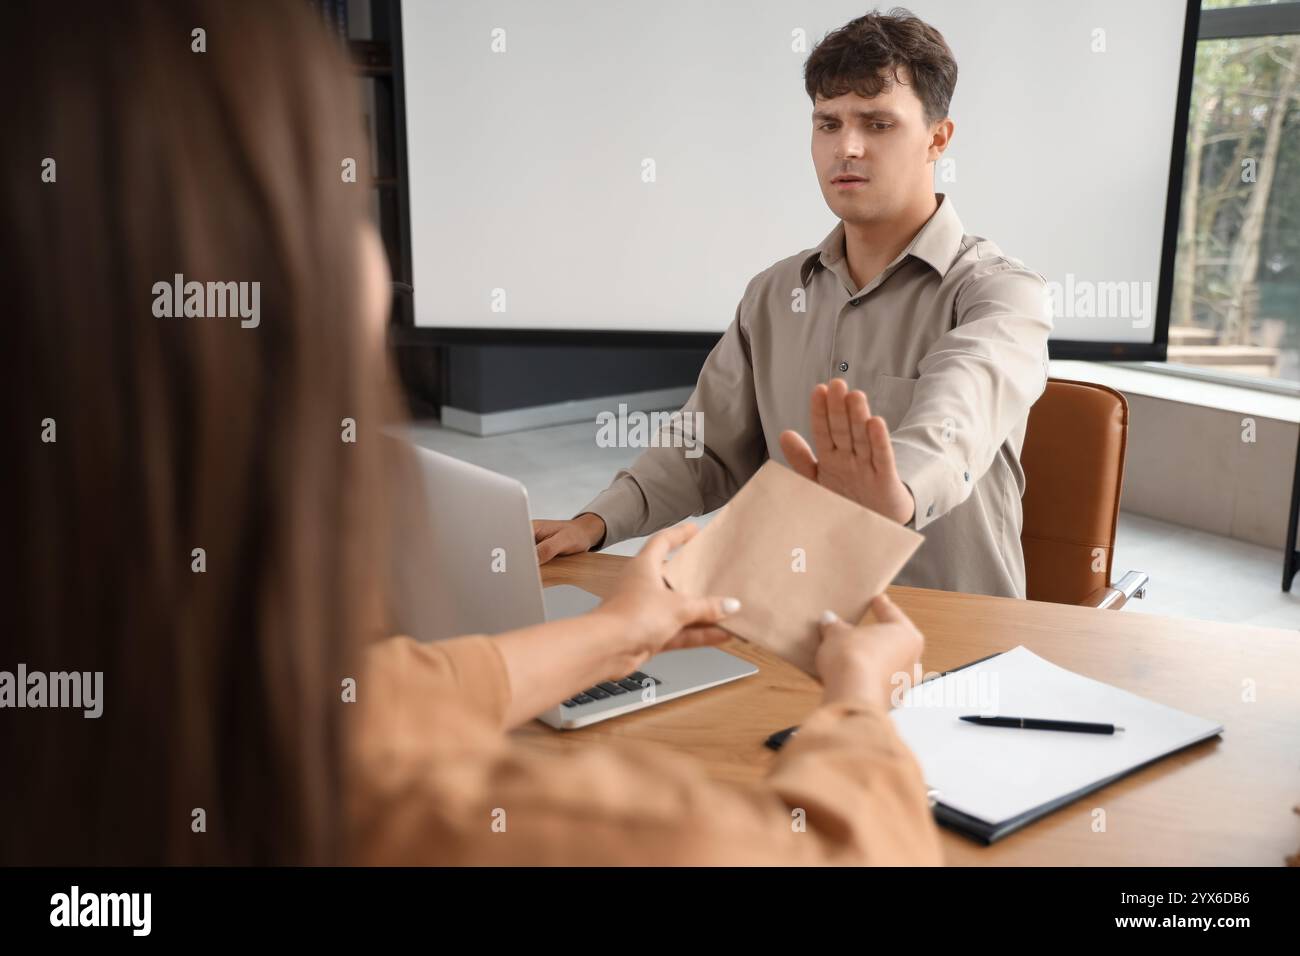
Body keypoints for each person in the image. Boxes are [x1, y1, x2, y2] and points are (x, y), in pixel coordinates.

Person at [2, 0, 941, 866]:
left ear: (937, 139)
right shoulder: (431, 817)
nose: (374, 265)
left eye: (875, 123)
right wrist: (860, 705)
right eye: (338, 209)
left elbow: (366, 710)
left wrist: (615, 637)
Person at [536, 9, 1053, 599]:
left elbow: (957, 417)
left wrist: (897, 490)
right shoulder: (775, 294)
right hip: (788, 618)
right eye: (828, 124)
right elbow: (704, 447)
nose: (847, 148)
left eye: (878, 124)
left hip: (951, 641)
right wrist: (596, 522)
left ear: (938, 138)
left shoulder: (1002, 293)